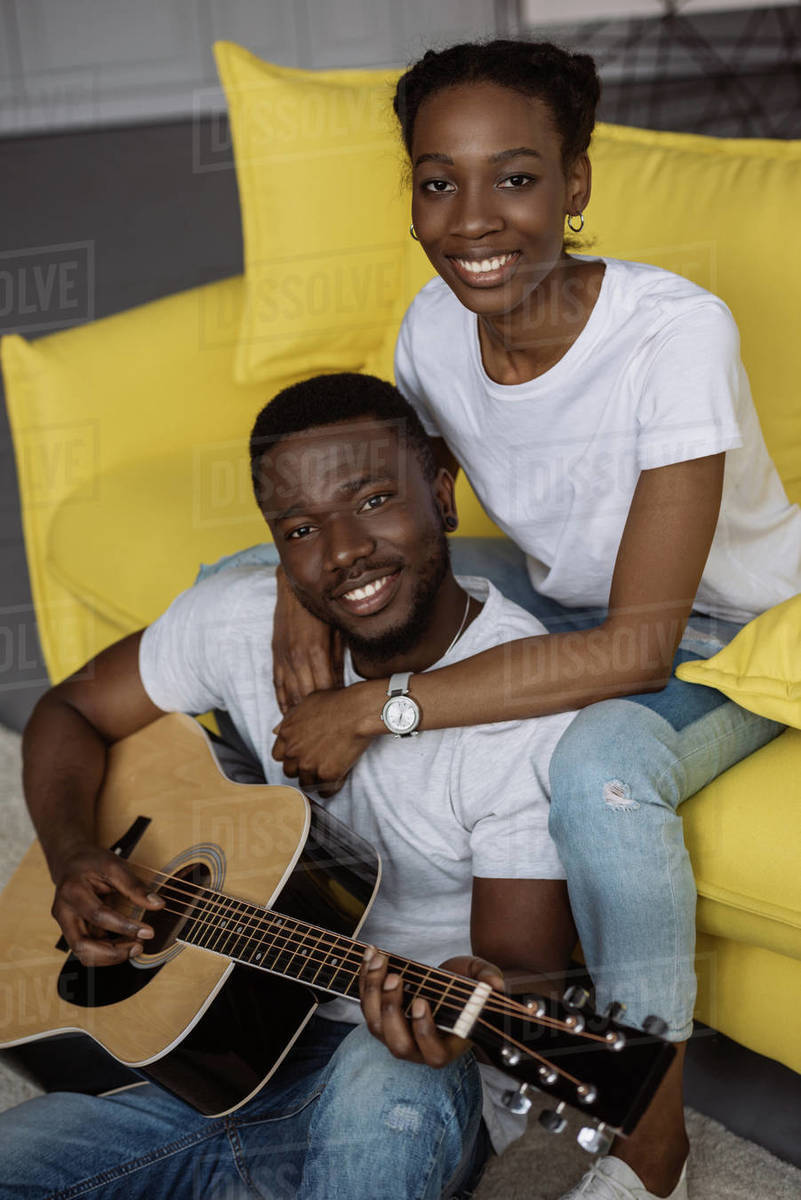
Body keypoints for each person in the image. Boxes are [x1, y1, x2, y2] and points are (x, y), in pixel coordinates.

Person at [265, 40, 801, 1200]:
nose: (472, 220)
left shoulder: (674, 335)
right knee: (258, 562)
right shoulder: (430, 331)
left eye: (514, 177)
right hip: (566, 586)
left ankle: (645, 1124)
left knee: (602, 765)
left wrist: (381, 704)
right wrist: (283, 590)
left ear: (577, 184)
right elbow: (373, 487)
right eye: (436, 180)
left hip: (730, 627)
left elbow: (637, 650)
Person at [1, 374, 580, 1200]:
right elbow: (70, 711)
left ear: (444, 495)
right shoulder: (236, 619)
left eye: (375, 499)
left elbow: (522, 971)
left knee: (392, 1095)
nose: (342, 552)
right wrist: (72, 855)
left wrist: (466, 997)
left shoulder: (520, 716)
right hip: (212, 1052)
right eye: (302, 528)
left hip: (391, 1063)